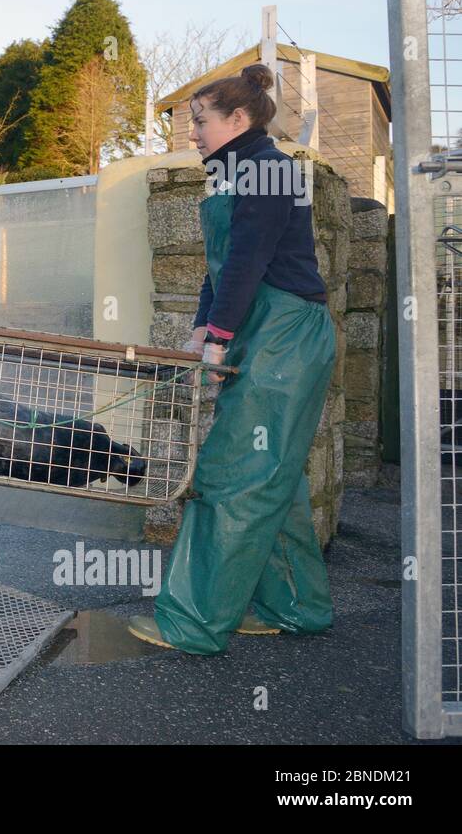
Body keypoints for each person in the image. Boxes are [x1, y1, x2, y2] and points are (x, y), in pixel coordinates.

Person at [125, 64, 336, 655]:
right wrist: (201, 329)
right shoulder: (237, 173)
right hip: (267, 332)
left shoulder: (269, 170)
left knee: (233, 475)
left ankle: (192, 622)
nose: (191, 133)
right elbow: (220, 265)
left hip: (286, 337)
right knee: (274, 476)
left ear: (238, 119)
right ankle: (295, 607)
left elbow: (248, 259)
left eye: (200, 121)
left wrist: (218, 336)